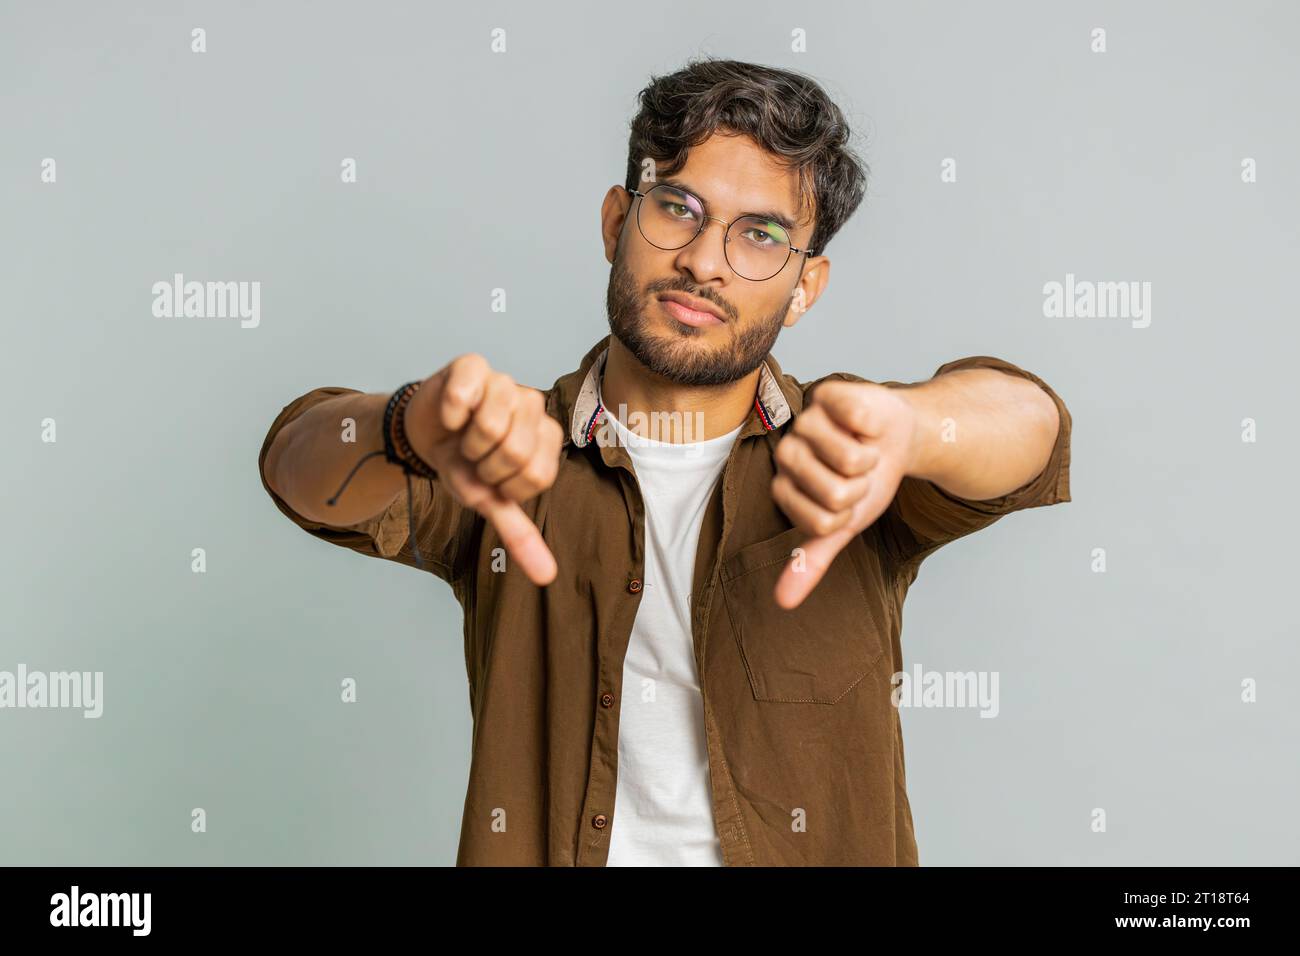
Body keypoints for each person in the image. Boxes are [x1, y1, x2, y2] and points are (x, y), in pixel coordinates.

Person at [258, 57, 1071, 866]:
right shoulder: (502, 448)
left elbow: (1034, 426)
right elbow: (296, 465)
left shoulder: (850, 453)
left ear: (805, 287)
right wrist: (403, 424)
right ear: (617, 221)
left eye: (760, 234)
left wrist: (917, 428)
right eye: (679, 208)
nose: (705, 261)